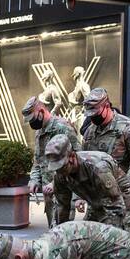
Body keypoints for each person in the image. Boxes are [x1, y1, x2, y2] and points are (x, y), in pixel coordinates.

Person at [79, 88, 130, 233]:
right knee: (90, 236)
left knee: (121, 238)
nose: (92, 118)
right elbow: (83, 163)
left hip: (122, 194)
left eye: (95, 113)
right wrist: (80, 196)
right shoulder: (90, 132)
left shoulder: (128, 127)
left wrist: (128, 185)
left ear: (106, 106)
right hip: (97, 196)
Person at [23, 95, 81, 228]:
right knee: (52, 233)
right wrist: (34, 179)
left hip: (64, 192)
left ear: (42, 112)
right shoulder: (39, 132)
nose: (32, 123)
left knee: (63, 234)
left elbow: (77, 159)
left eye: (32, 119)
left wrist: (55, 182)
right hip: (49, 195)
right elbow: (38, 160)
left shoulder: (63, 127)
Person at [43, 134, 125, 227]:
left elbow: (115, 207)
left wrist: (111, 234)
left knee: (116, 235)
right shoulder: (60, 173)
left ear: (72, 157)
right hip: (96, 201)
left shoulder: (98, 168)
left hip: (122, 198)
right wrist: (59, 232)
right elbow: (62, 206)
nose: (59, 171)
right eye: (56, 167)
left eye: (62, 166)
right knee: (87, 233)